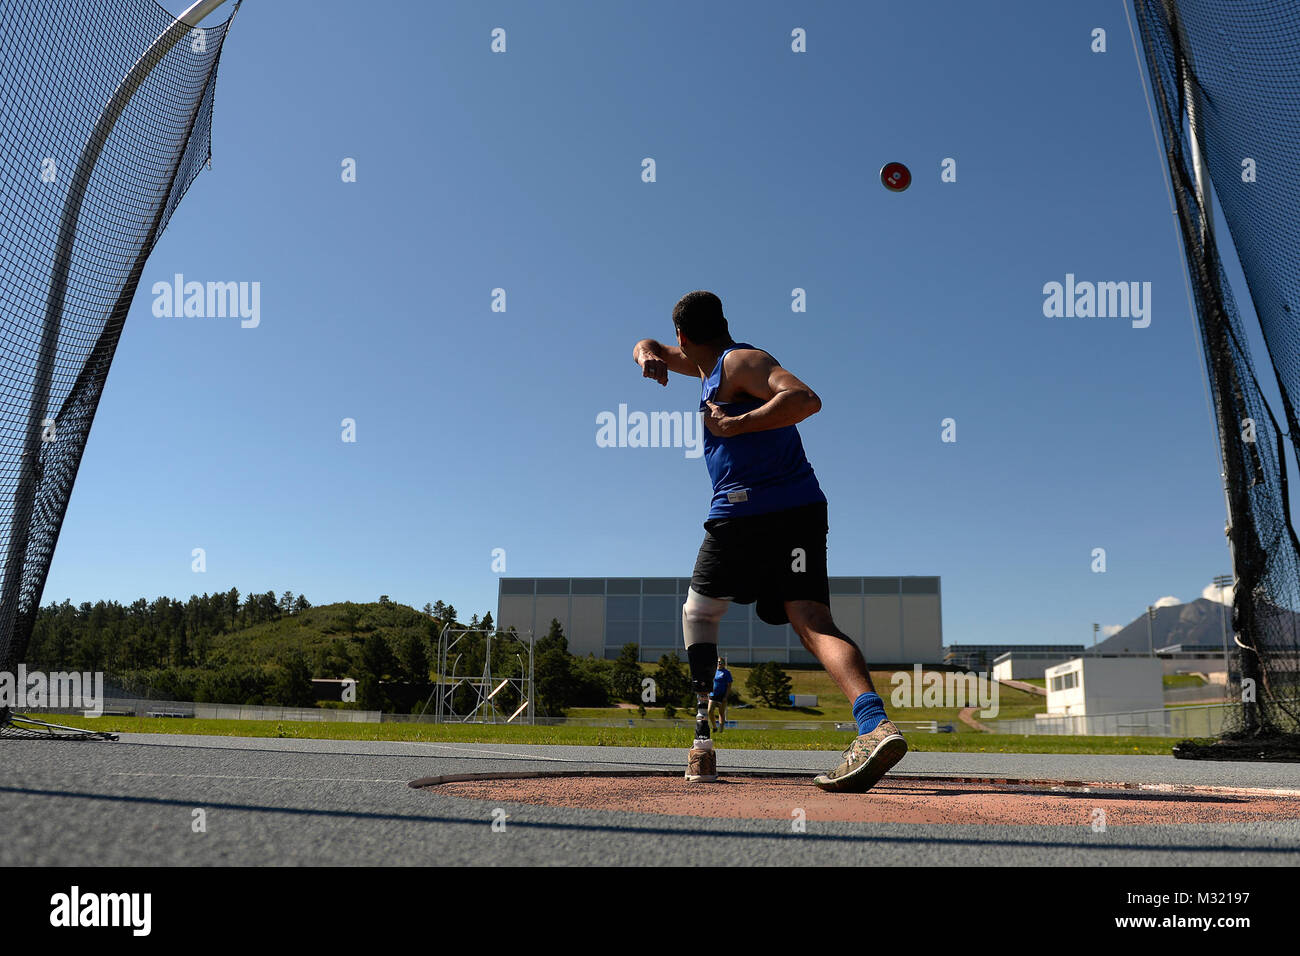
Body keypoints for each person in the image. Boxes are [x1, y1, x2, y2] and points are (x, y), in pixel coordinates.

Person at [632, 290, 907, 791]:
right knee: (812, 619)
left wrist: (737, 424)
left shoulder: (742, 361)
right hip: (799, 512)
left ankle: (701, 744)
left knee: (699, 612)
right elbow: (648, 344)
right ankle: (874, 726)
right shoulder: (708, 365)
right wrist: (646, 353)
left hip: (745, 512)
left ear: (684, 336)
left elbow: (805, 399)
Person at [708, 656, 733, 732]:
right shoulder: (714, 671)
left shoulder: (726, 673)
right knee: (709, 711)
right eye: (718, 662)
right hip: (713, 694)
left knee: (721, 713)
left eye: (721, 662)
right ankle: (714, 727)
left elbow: (729, 686)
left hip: (722, 696)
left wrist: (726, 696)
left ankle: (721, 730)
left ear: (724, 664)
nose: (719, 663)